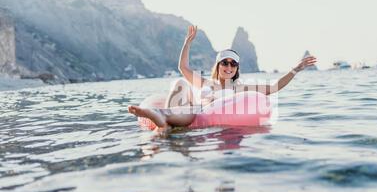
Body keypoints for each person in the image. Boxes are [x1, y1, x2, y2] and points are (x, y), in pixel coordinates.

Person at [128, 26, 317, 131]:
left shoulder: (241, 89)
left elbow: (274, 87)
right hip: (193, 111)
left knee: (193, 112)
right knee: (180, 82)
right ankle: (163, 118)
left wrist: (295, 69)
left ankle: (163, 120)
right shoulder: (207, 83)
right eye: (224, 63)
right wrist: (187, 43)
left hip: (201, 116)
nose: (228, 67)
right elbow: (182, 68)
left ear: (237, 69)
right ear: (218, 66)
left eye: (233, 64)